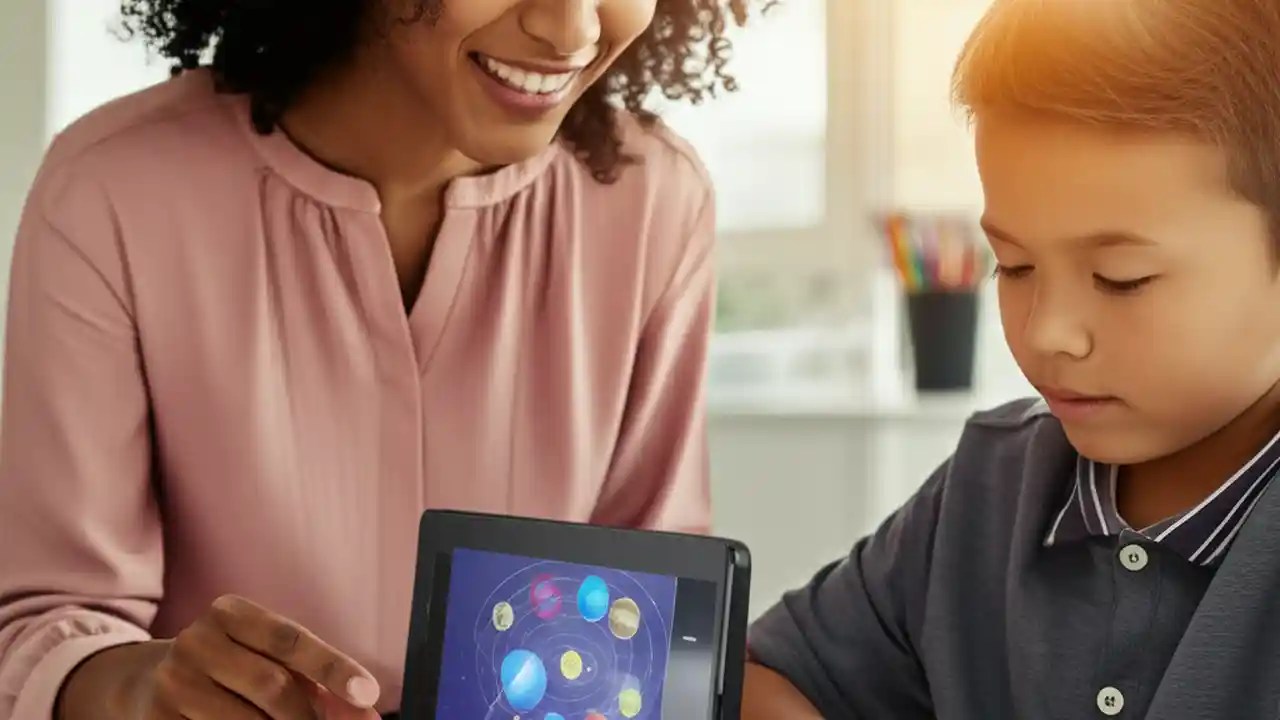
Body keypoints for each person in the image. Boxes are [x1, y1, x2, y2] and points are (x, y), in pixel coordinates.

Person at [0, 0, 769, 717]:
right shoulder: (116, 191)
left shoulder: (652, 200)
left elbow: (657, 616)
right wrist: (148, 687)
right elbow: (45, 623)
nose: (568, 30)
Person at [741, 0, 1280, 717]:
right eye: (1016, 266)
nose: (1049, 330)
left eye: (1121, 279)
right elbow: (768, 677)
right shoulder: (988, 489)